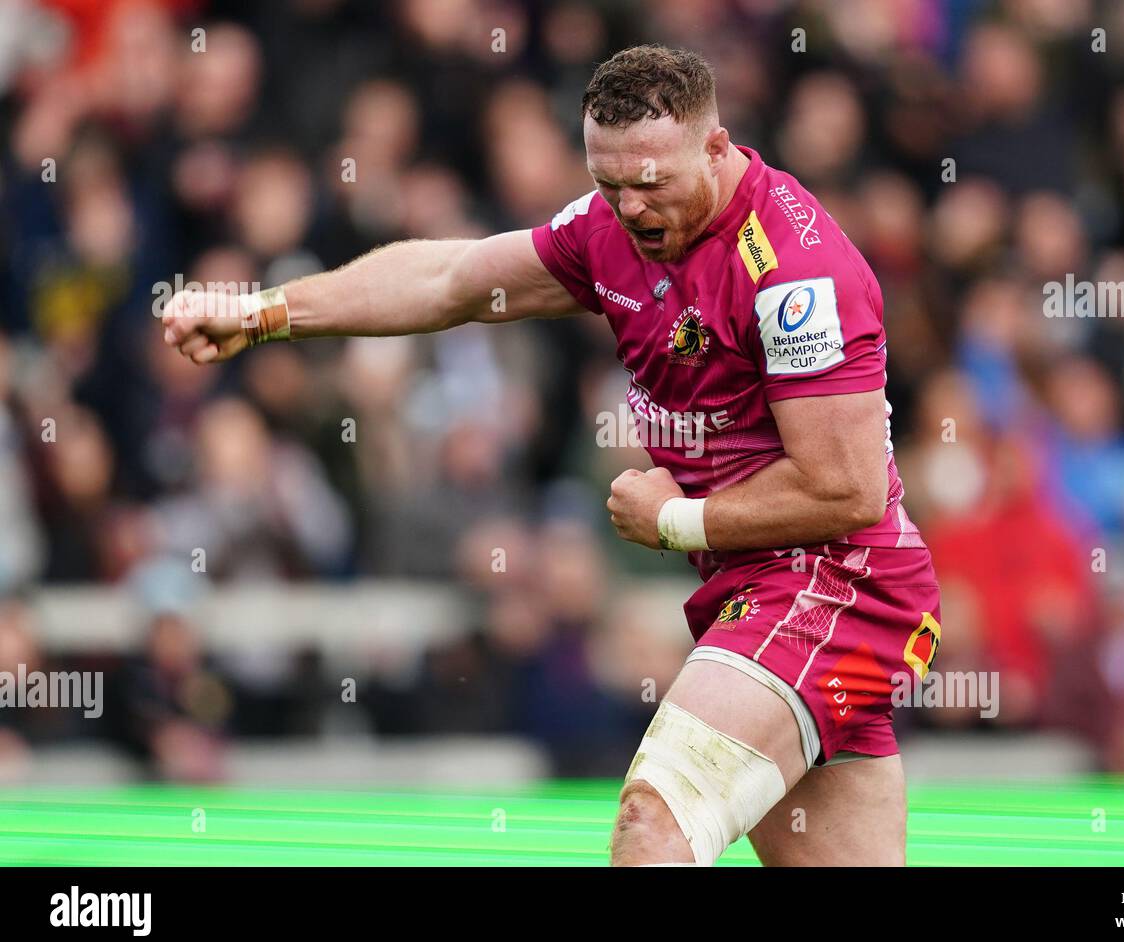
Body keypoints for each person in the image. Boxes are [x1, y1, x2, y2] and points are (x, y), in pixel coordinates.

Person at [160, 45, 942, 867]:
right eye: (609, 184)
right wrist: (267, 311)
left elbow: (847, 491)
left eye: (651, 182)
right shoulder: (611, 230)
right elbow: (451, 280)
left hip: (836, 587)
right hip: (760, 588)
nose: (630, 208)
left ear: (717, 149)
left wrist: (676, 519)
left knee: (654, 822)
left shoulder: (794, 272)